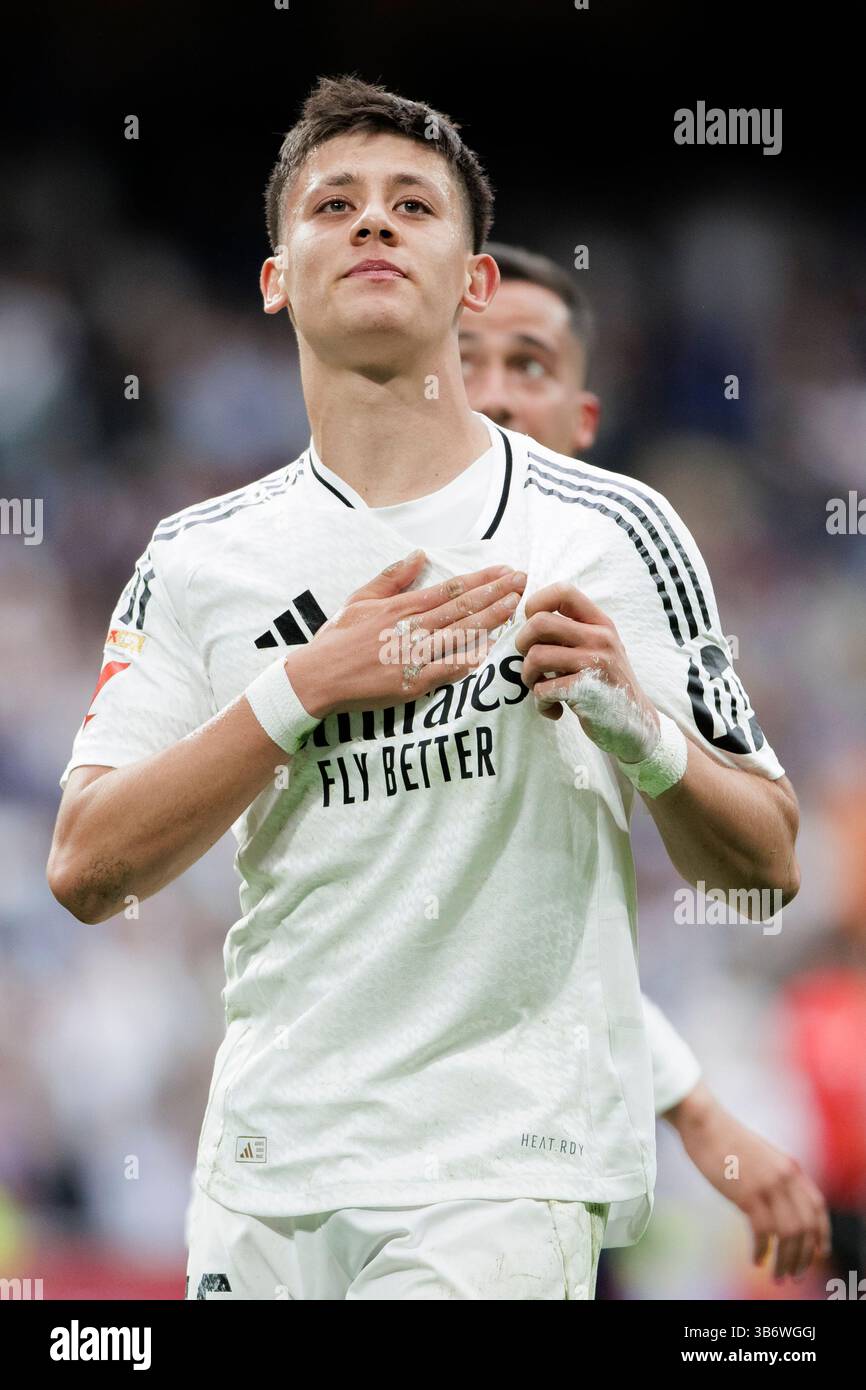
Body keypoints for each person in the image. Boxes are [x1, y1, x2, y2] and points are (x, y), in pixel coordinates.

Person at [48, 75, 804, 1300]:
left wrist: (637, 723)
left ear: (473, 283)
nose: (371, 223)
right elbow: (85, 865)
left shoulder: (611, 530)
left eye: (412, 204)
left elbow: (766, 865)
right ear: (274, 276)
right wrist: (300, 688)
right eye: (332, 204)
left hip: (495, 1175)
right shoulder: (196, 559)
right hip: (259, 1173)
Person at [459, 240, 831, 1288]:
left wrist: (637, 726)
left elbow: (762, 872)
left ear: (583, 421)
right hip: (296, 1160)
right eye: (464, 360)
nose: (492, 397)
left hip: (526, 1163)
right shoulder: (319, 576)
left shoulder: (624, 574)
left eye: (526, 365)